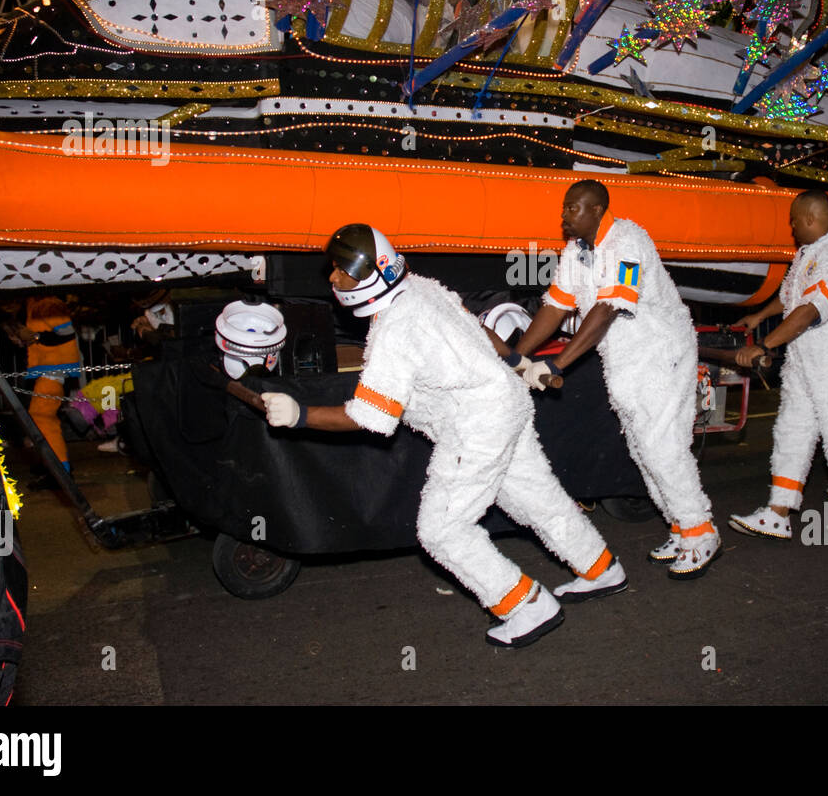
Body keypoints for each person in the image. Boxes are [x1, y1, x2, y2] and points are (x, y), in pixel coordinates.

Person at [261, 223, 626, 648]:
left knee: (441, 530)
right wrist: (516, 363)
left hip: (476, 424)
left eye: (344, 271)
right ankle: (602, 568)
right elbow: (477, 327)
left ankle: (525, 605)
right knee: (537, 498)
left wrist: (299, 414)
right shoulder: (421, 287)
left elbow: (372, 417)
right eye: (335, 269)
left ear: (373, 277)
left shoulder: (393, 329)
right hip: (505, 402)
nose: (333, 278)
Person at [511, 180, 722, 577]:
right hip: (627, 361)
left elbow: (607, 308)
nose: (564, 215)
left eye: (572, 208)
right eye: (564, 208)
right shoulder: (576, 251)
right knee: (644, 451)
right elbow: (555, 307)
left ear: (597, 210)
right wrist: (517, 356)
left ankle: (702, 532)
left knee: (663, 448)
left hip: (662, 355)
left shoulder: (628, 241)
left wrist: (558, 365)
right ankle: (681, 527)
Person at [726, 190, 828, 540]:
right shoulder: (808, 254)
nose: (790, 227)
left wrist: (764, 344)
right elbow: (791, 299)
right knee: (792, 430)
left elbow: (811, 310)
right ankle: (778, 511)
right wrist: (758, 317)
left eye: (792, 220)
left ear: (809, 219)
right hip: (808, 361)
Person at [0, 296, 82, 477]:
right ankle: (54, 466)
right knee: (42, 418)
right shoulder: (33, 304)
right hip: (48, 369)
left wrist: (35, 337)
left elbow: (67, 332)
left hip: (55, 369)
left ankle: (59, 470)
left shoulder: (47, 303)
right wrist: (26, 339)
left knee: (43, 417)